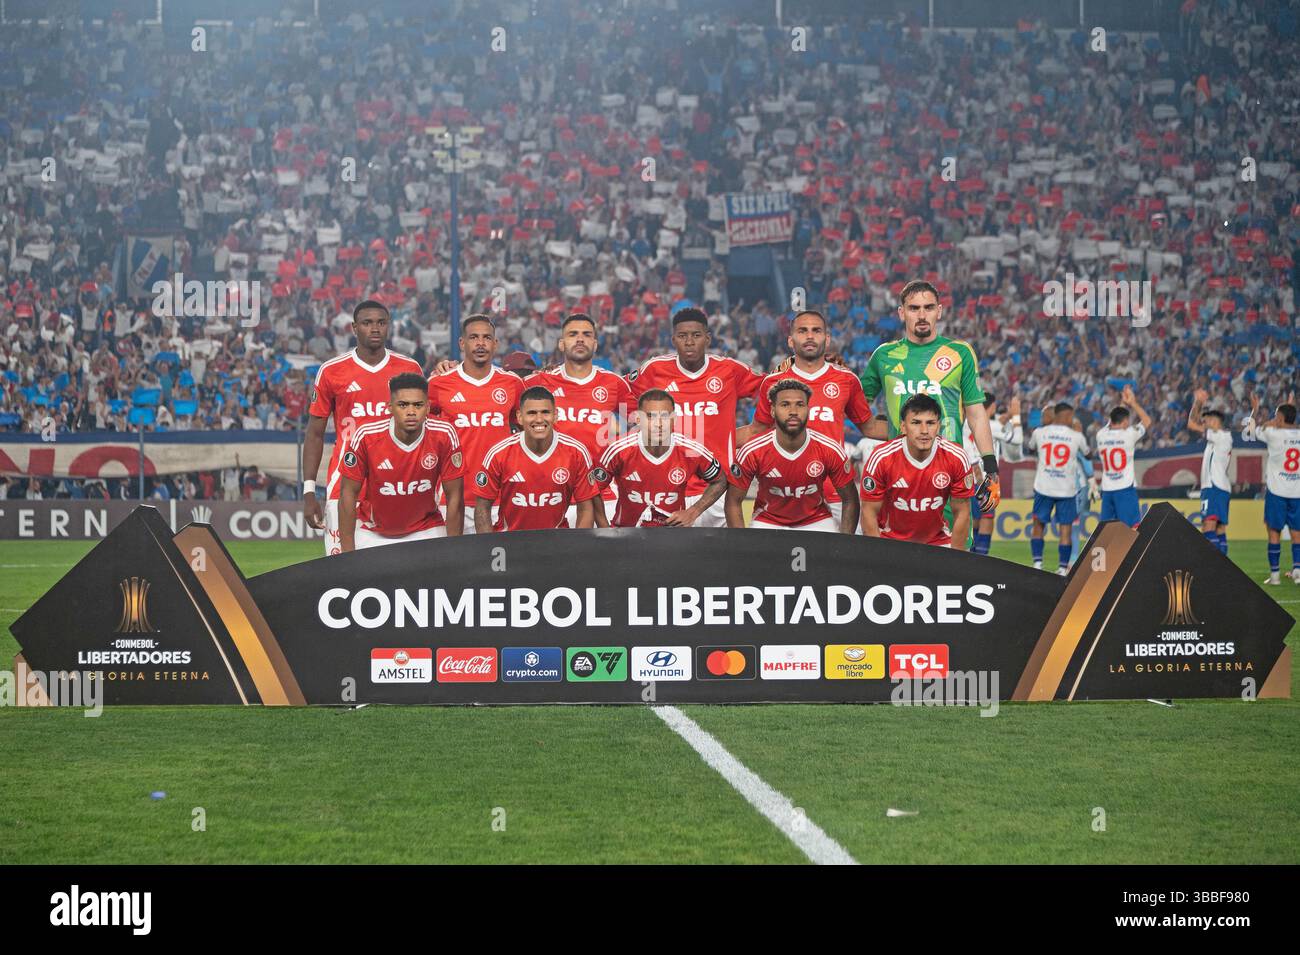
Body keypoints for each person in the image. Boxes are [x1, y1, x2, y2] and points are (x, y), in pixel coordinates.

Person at [859, 280, 1001, 517]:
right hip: (897, 474)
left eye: (929, 307)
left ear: (940, 311)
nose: (922, 315)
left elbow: (977, 414)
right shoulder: (884, 355)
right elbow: (857, 405)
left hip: (949, 474)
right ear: (902, 313)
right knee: (897, 551)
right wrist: (885, 430)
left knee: (953, 552)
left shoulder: (960, 353)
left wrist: (991, 469)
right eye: (914, 308)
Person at [302, 300, 424, 555]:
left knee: (401, 573)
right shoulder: (331, 371)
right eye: (367, 323)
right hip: (345, 482)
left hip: (398, 485)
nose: (375, 328)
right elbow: (314, 434)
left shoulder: (409, 369)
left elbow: (424, 430)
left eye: (381, 323)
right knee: (342, 572)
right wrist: (309, 491)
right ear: (354, 328)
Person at [625, 306, 764, 527]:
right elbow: (617, 391)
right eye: (682, 336)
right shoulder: (654, 369)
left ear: (707, 338)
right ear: (673, 340)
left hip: (717, 490)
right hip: (666, 490)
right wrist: (638, 427)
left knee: (720, 561)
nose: (689, 342)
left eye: (696, 335)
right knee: (667, 561)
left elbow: (772, 387)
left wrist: (752, 431)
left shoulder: (729, 370)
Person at [738, 309, 874, 531]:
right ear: (791, 340)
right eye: (802, 331)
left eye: (816, 331)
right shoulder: (773, 382)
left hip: (838, 492)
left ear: (827, 338)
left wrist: (911, 428)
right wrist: (711, 442)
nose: (810, 336)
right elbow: (756, 431)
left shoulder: (847, 380)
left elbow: (869, 427)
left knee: (845, 561)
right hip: (786, 492)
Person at [525, 313, 632, 525]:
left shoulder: (613, 383)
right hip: (549, 495)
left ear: (595, 343)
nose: (580, 339)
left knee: (602, 557)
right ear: (562, 344)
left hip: (603, 494)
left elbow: (645, 420)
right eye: (573, 334)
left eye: (586, 334)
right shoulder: (538, 382)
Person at [337, 373, 464, 550]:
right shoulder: (366, 436)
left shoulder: (444, 434)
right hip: (372, 532)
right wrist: (347, 553)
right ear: (390, 407)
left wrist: (454, 549)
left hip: (426, 530)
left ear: (428, 407)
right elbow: (347, 494)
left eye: (418, 405)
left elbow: (455, 496)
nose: (411, 411)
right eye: (403, 405)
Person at [427, 314, 525, 534]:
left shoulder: (512, 384)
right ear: (462, 343)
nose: (480, 343)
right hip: (452, 498)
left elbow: (529, 430)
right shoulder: (439, 383)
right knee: (455, 566)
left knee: (500, 565)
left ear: (495, 343)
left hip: (500, 497)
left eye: (486, 338)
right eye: (473, 337)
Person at [726, 379, 859, 533]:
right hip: (768, 520)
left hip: (817, 519)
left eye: (800, 405)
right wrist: (741, 544)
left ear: (809, 409)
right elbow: (733, 502)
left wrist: (844, 543)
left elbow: (850, 499)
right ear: (772, 410)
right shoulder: (752, 450)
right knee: (755, 556)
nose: (793, 411)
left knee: (832, 555)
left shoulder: (830, 449)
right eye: (785, 404)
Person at [591, 389, 727, 527]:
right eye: (650, 416)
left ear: (674, 419)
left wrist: (693, 512)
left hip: (672, 536)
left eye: (665, 416)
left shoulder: (691, 450)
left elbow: (720, 480)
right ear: (638, 419)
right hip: (626, 534)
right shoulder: (617, 450)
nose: (659, 424)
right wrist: (604, 528)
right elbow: (593, 488)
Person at [474, 386, 598, 532]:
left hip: (557, 543)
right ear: (519, 417)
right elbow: (482, 508)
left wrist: (577, 548)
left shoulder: (576, 452)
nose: (539, 419)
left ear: (556, 415)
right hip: (510, 544)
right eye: (532, 413)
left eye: (545, 412)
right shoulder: (499, 453)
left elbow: (586, 508)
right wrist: (491, 549)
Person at [859, 394, 974, 547]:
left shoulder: (956, 457)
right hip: (890, 541)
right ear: (903, 427)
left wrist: (957, 560)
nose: (924, 430)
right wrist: (880, 556)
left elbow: (962, 513)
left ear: (939, 426)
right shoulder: (882, 457)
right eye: (916, 423)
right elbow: (868, 512)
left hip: (938, 542)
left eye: (931, 423)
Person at [1025, 401, 1090, 574]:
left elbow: (1030, 448)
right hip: (1066, 490)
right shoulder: (1076, 436)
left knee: (1038, 526)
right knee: (1065, 530)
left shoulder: (1039, 433)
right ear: (1068, 416)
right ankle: (1062, 569)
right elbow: (1088, 453)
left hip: (1043, 487)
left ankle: (1037, 565)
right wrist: (1078, 432)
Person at [1244, 393, 1300, 584]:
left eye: (1277, 416)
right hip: (1297, 492)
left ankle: (1275, 576)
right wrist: (1287, 411)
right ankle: (1298, 572)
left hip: (1277, 491)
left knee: (1274, 531)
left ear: (1281, 418)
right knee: (1297, 532)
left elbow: (1249, 430)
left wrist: (1255, 409)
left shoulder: (1273, 434)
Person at [962, 392, 1022, 554]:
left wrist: (1007, 415)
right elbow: (1018, 439)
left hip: (970, 477)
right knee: (987, 518)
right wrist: (1016, 417)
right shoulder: (991, 425)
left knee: (974, 518)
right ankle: (983, 556)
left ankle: (972, 554)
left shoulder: (968, 422)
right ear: (992, 407)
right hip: (988, 476)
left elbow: (997, 424)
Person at [1094, 385, 1151, 529]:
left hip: (1107, 489)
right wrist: (1132, 403)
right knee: (1132, 528)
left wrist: (1123, 404)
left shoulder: (1100, 435)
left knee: (1107, 530)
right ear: (1125, 422)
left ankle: (1111, 553)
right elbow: (1146, 421)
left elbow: (1114, 419)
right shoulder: (1129, 435)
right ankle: (1132, 552)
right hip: (1125, 488)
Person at [1187, 389, 1233, 556]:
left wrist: (1198, 401)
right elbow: (1194, 419)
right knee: (1219, 529)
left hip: (1213, 487)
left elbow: (1191, 424)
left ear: (1215, 422)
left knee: (1208, 526)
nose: (1204, 423)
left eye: (1207, 421)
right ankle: (1225, 570)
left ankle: (1214, 569)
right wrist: (1198, 404)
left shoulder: (1220, 436)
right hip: (1220, 487)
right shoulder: (1219, 437)